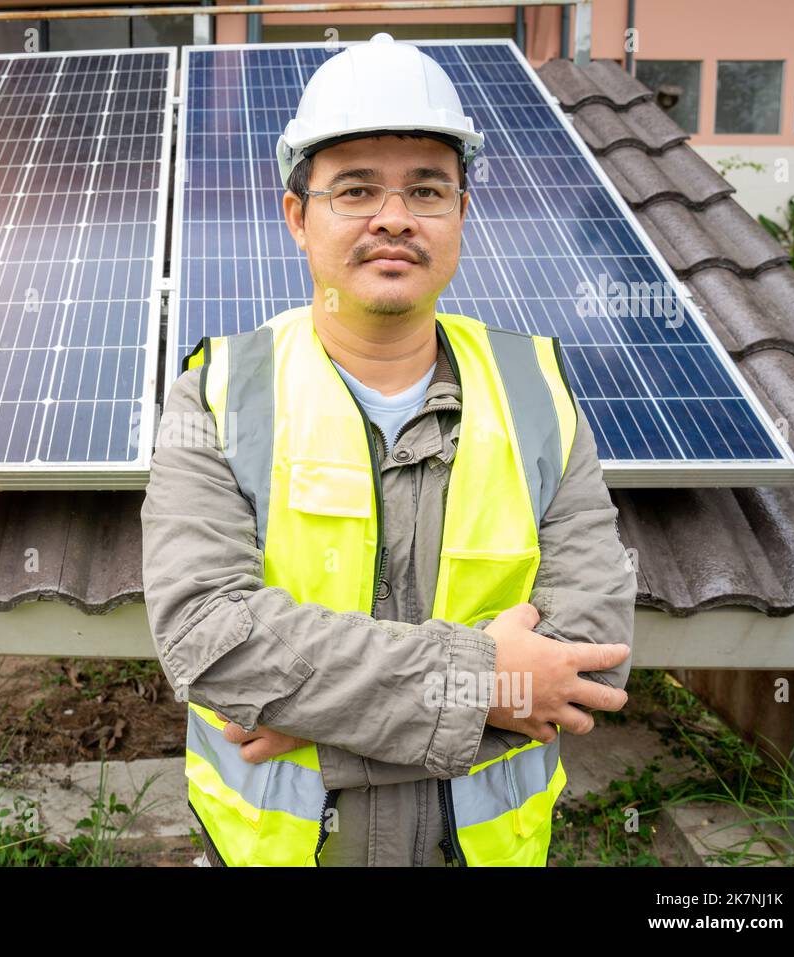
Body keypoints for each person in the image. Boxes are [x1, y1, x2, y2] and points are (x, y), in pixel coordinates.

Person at [140, 34, 637, 867]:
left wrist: (319, 724)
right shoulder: (216, 395)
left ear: (462, 213)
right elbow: (210, 638)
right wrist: (489, 685)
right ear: (298, 216)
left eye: (427, 190)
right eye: (357, 189)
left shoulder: (538, 389)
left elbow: (586, 658)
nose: (395, 217)